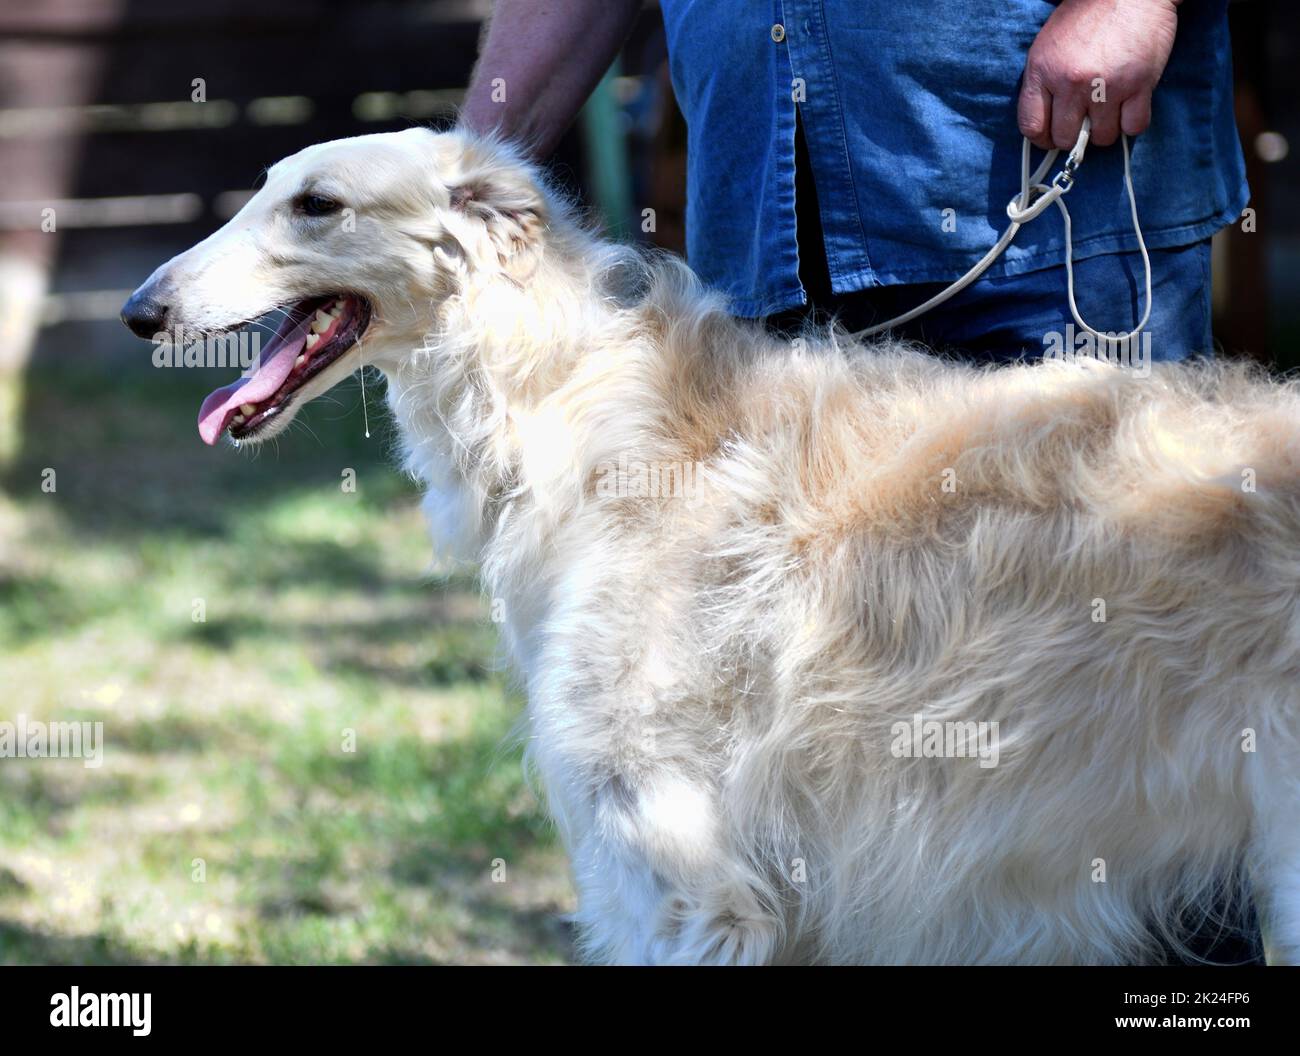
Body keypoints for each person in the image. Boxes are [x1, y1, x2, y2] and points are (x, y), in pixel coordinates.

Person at [460, 0, 1261, 963]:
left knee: (1150, 779)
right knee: (830, 824)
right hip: (771, 253)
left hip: (1047, 198)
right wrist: (456, 180)